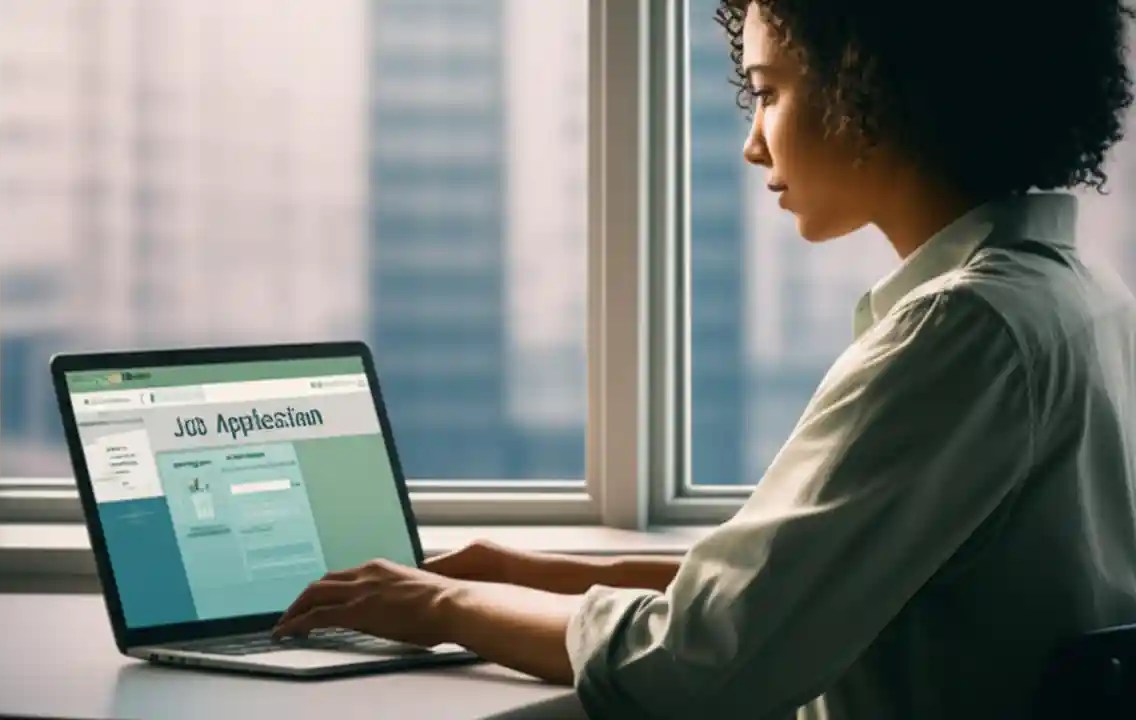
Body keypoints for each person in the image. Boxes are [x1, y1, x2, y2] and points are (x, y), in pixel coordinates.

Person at [274, 0, 1136, 716]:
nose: (755, 143)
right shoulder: (1079, 300)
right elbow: (806, 576)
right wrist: (522, 570)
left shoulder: (960, 333)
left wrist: (442, 605)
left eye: (767, 94)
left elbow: (704, 662)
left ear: (871, 85)